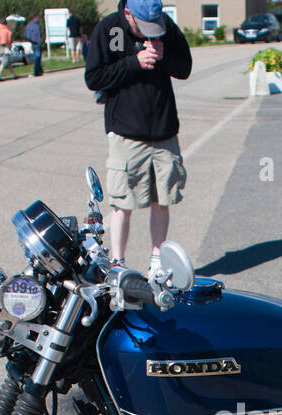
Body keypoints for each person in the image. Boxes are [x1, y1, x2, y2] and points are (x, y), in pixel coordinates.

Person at [85, 0, 192, 274]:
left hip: (164, 132)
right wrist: (134, 62)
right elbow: (94, 78)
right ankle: (118, 265)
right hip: (126, 134)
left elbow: (185, 68)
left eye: (153, 27)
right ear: (128, 13)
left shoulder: (164, 26)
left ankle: (158, 262)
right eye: (143, 27)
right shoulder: (110, 29)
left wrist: (163, 55)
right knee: (123, 204)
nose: (149, 33)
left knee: (162, 201)